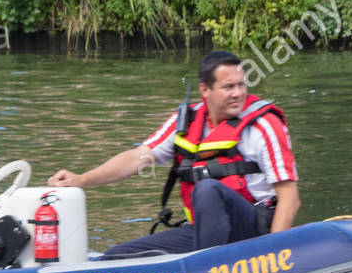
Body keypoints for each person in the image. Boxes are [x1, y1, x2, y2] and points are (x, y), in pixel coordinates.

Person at [47, 50, 300, 258]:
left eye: (241, 85)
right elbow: (137, 158)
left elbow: (290, 198)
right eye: (228, 87)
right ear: (205, 90)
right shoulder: (185, 122)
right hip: (204, 232)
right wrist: (81, 180)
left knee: (207, 189)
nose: (238, 93)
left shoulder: (264, 126)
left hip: (253, 231)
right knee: (115, 257)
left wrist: (273, 256)